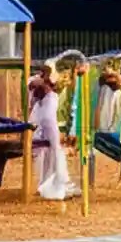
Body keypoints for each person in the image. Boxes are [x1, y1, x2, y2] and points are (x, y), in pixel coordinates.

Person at [28, 64, 81, 201]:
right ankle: (58, 186)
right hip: (45, 126)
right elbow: (35, 86)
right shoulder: (45, 89)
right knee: (56, 152)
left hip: (45, 126)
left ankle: (49, 184)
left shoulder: (51, 92)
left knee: (52, 154)